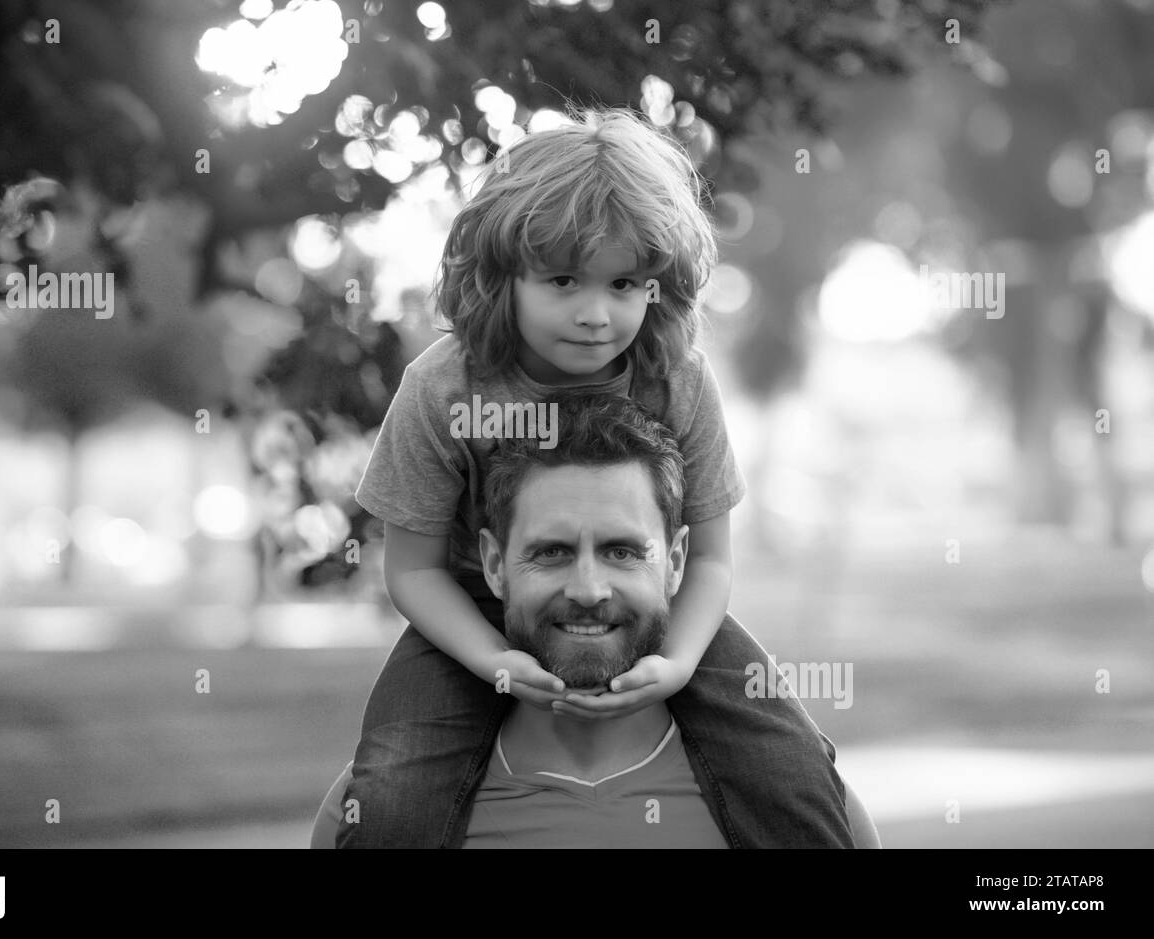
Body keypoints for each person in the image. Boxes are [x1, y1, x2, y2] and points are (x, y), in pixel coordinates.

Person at [339, 107, 853, 848]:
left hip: (653, 603)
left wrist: (677, 662)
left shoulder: (676, 379)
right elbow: (413, 570)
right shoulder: (444, 388)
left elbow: (706, 557)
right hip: (474, 608)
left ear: (657, 283)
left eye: (623, 283)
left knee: (790, 769)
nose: (596, 314)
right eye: (562, 280)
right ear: (502, 276)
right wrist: (494, 662)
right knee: (393, 797)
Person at [314, 394, 878, 847]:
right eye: (552, 552)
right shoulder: (376, 807)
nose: (588, 590)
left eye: (623, 551)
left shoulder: (803, 802)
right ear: (491, 564)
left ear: (676, 562)